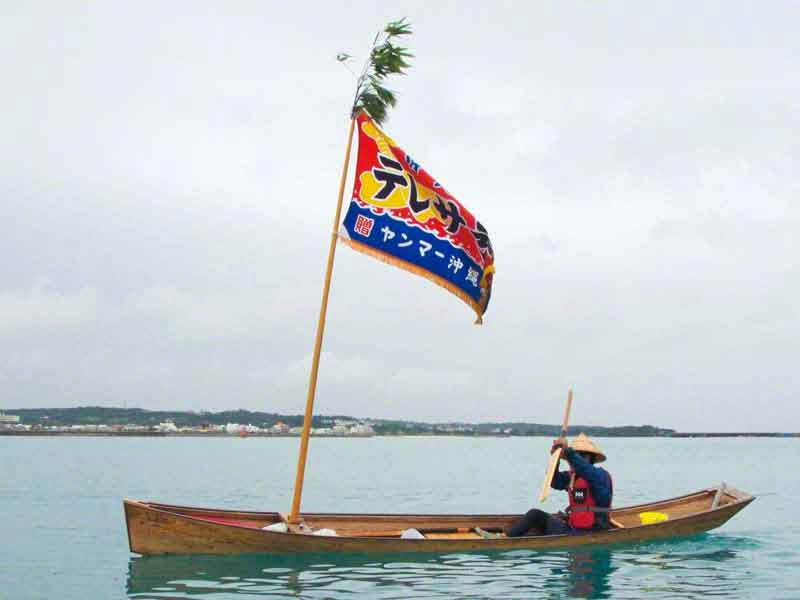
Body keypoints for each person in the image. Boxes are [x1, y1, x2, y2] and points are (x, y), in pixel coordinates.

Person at [506, 433, 613, 537]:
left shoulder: (600, 475)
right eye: (577, 454)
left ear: (591, 458)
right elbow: (553, 481)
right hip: (573, 529)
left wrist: (568, 452)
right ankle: (509, 536)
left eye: (583, 455)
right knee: (536, 518)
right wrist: (555, 458)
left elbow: (585, 470)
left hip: (593, 531)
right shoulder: (572, 477)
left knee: (534, 515)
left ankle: (505, 539)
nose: (576, 460)